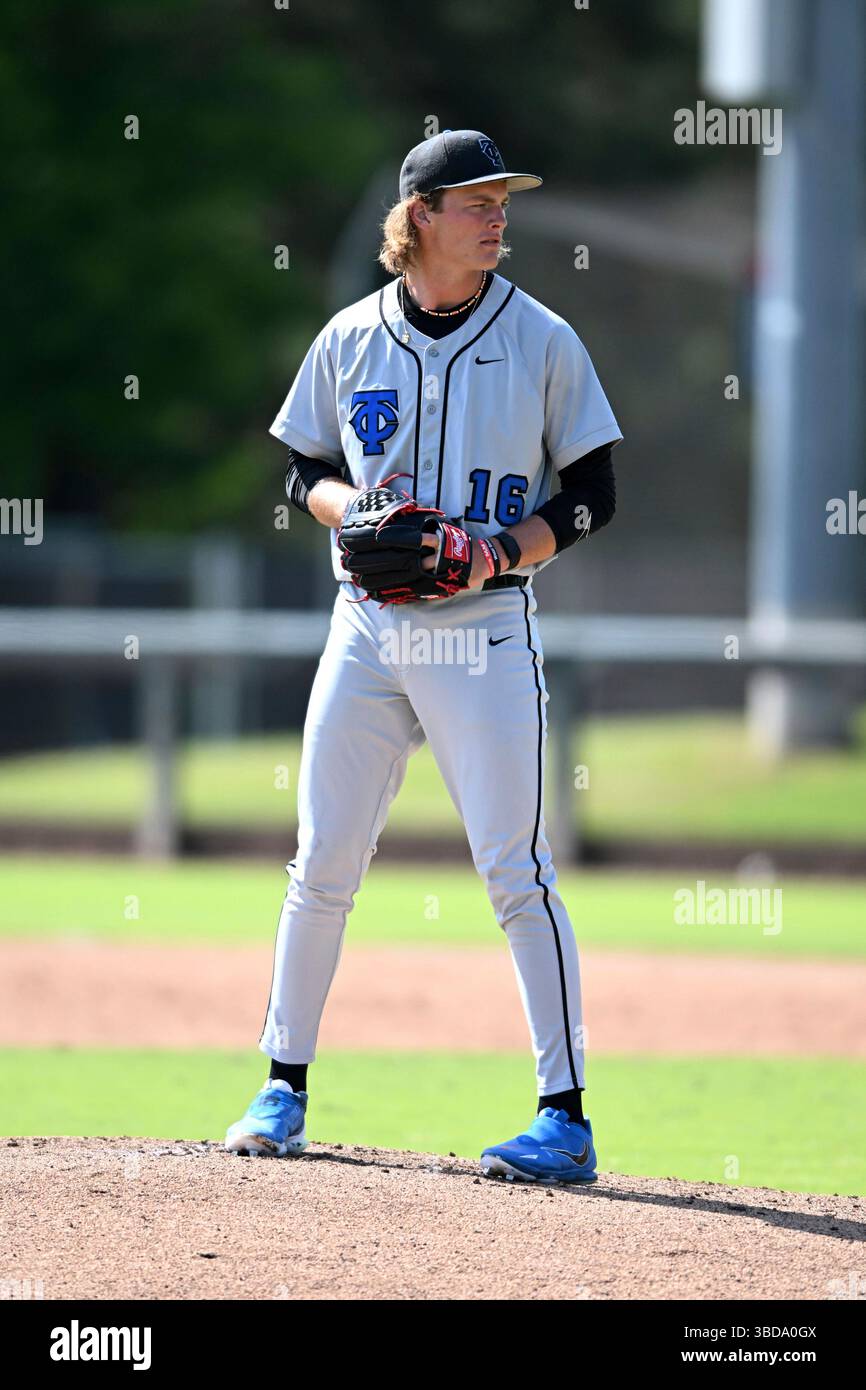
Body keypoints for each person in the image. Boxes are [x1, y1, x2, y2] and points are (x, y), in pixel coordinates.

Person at [225, 129, 622, 1183]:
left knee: (515, 873)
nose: (498, 217)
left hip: (483, 631)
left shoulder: (540, 338)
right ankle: (281, 1087)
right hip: (364, 630)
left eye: (502, 201)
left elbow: (591, 493)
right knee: (320, 866)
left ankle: (563, 1119)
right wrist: (346, 508)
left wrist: (496, 550)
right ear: (419, 220)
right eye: (476, 201)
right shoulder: (350, 336)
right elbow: (299, 467)